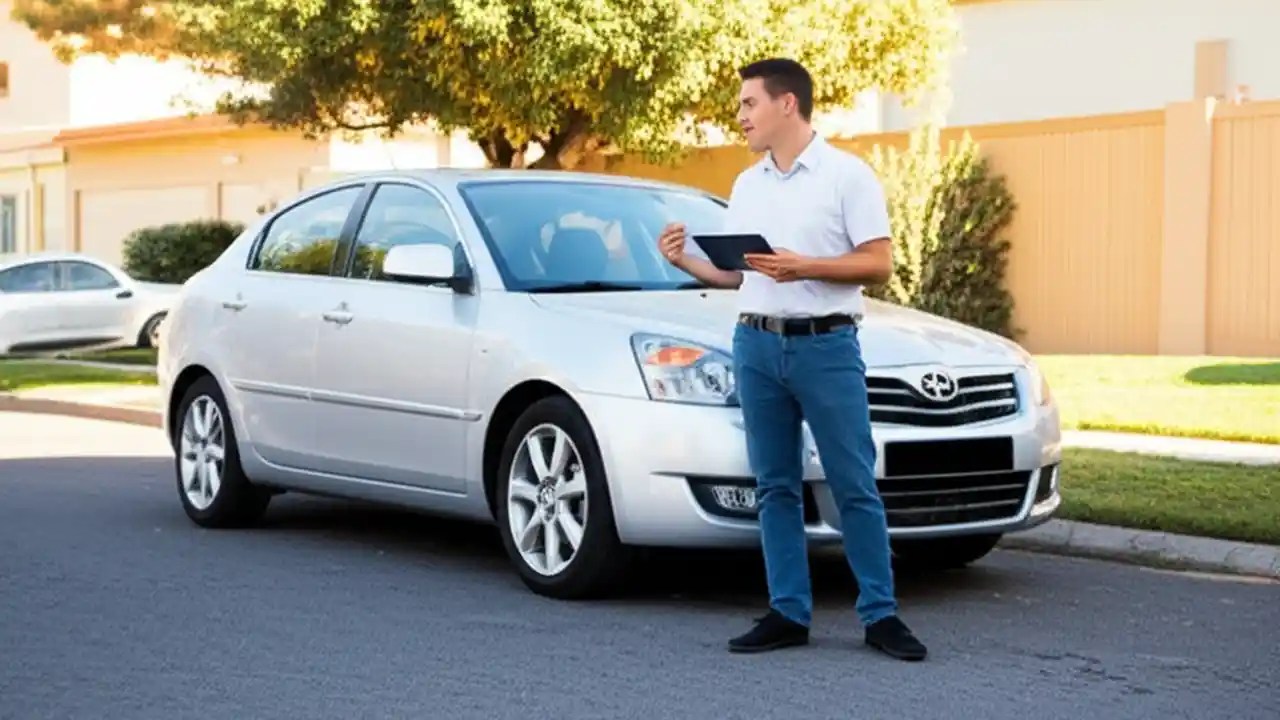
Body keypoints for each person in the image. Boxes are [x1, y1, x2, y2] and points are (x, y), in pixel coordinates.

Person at [656, 58, 927, 662]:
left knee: (852, 481)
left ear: (787, 104)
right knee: (774, 484)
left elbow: (878, 263)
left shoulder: (846, 176)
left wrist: (804, 266)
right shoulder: (747, 184)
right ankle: (787, 612)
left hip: (825, 346)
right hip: (755, 344)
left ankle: (881, 615)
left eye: (748, 103)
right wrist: (684, 261)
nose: (739, 116)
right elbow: (737, 275)